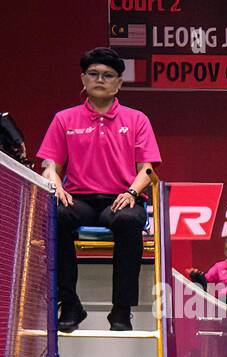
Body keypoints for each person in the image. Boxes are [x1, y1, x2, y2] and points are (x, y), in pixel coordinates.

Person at [37, 47, 161, 333]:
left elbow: (148, 169)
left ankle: (121, 310)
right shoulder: (64, 119)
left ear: (119, 83)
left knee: (129, 220)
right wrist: (56, 185)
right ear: (83, 79)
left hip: (120, 198)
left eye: (108, 75)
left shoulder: (137, 119)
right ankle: (69, 304)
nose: (100, 79)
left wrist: (131, 193)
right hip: (79, 198)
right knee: (57, 217)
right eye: (93, 74)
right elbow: (50, 165)